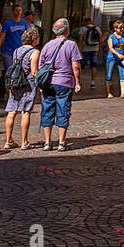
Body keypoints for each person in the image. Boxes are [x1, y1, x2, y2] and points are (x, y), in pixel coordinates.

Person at [37, 19, 82, 150]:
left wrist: (41, 85)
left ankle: (47, 142)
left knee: (47, 110)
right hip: (64, 83)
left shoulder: (47, 45)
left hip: (48, 83)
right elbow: (76, 66)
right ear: (67, 30)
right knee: (63, 109)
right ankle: (61, 142)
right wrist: (77, 82)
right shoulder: (71, 45)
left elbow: (41, 66)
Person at [3, 27, 41, 149]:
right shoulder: (34, 52)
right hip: (28, 83)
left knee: (12, 111)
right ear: (34, 39)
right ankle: (24, 142)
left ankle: (8, 140)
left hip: (15, 82)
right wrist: (40, 84)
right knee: (26, 112)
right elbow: (34, 72)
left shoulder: (16, 51)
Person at [0, 5, 27, 103]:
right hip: (8, 52)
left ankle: (16, 90)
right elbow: (1, 38)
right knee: (9, 71)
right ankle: (7, 90)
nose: (18, 12)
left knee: (20, 72)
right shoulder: (7, 24)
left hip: (20, 51)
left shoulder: (24, 23)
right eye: (16, 10)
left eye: (20, 10)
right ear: (13, 11)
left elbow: (26, 36)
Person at [105, 20, 124, 98]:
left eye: (123, 28)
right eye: (120, 28)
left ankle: (122, 92)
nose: (122, 29)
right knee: (109, 75)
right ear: (115, 28)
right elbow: (110, 48)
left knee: (123, 74)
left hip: (122, 58)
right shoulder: (111, 37)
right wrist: (118, 54)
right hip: (112, 58)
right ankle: (108, 92)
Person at [78, 18, 102, 89]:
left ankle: (78, 80)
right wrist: (100, 50)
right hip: (95, 49)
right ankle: (92, 82)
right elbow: (100, 40)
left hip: (85, 49)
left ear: (86, 22)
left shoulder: (83, 29)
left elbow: (80, 39)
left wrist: (79, 50)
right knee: (93, 65)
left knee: (81, 66)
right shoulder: (97, 28)